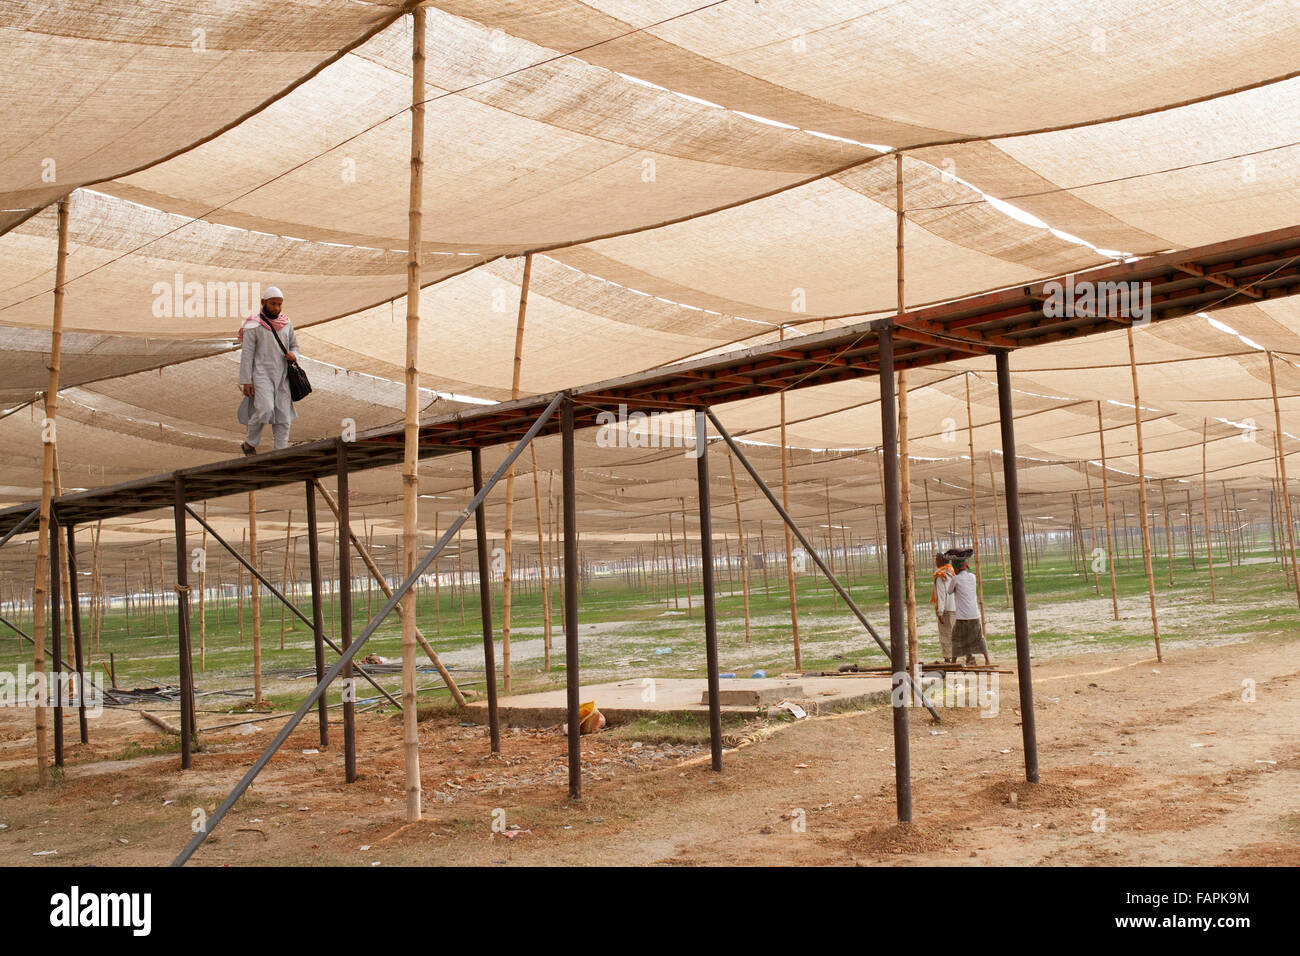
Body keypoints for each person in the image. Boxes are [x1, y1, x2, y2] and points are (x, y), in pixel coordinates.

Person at [237, 286, 301, 455]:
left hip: (283, 375)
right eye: (273, 304)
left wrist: (293, 355)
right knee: (265, 409)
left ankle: (280, 453)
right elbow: (247, 354)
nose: (276, 308)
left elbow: (295, 345)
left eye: (279, 304)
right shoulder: (253, 324)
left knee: (283, 416)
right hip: (261, 375)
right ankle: (250, 443)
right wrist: (246, 381)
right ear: (263, 302)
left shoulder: (286, 323)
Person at [947, 555, 990, 665]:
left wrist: (953, 578)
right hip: (974, 614)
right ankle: (987, 661)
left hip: (962, 616)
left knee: (957, 638)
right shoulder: (972, 577)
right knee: (979, 638)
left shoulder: (955, 579)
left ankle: (953, 663)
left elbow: (949, 591)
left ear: (956, 568)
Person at [930, 551, 957, 663]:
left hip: (946, 609)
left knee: (945, 634)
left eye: (937, 559)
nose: (935, 561)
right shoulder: (952, 572)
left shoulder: (941, 575)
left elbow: (941, 595)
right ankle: (955, 657)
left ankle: (947, 658)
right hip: (955, 608)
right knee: (954, 633)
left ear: (941, 561)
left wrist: (940, 612)